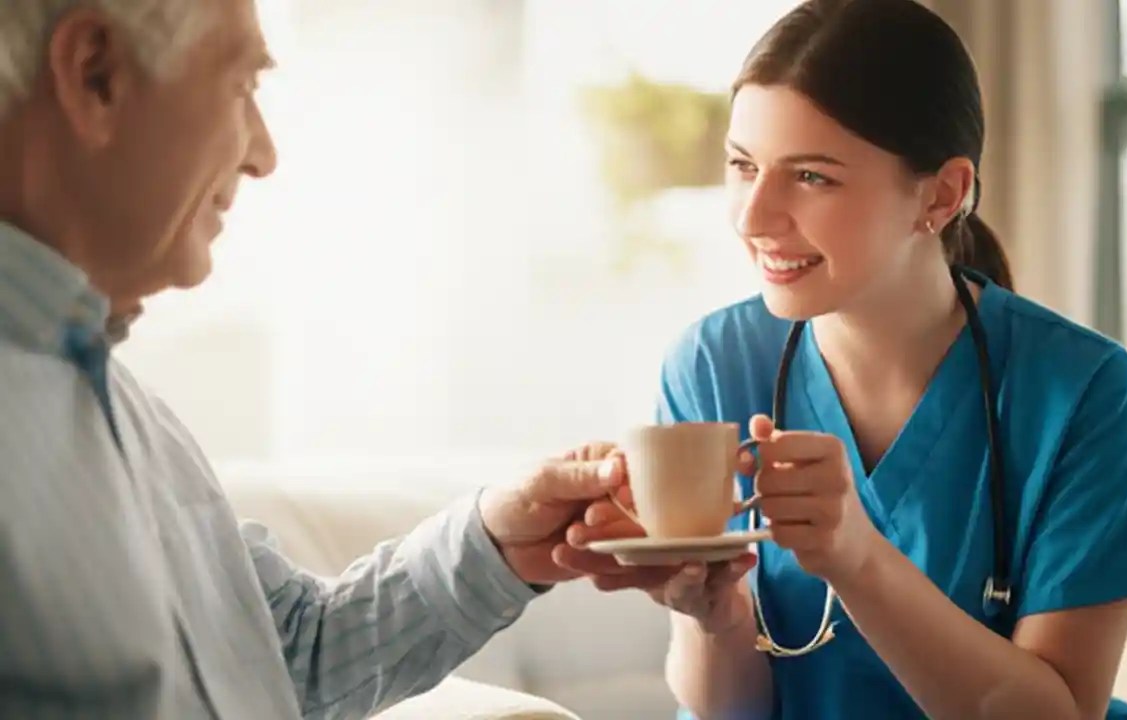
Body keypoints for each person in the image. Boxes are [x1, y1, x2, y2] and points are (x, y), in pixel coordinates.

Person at [0, 1, 669, 717]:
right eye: (241, 87)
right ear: (94, 75)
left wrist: (498, 545)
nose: (262, 153)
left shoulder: (126, 407)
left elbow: (290, 654)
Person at [562, 0, 1127, 718]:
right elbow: (728, 711)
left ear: (941, 195)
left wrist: (857, 557)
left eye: (812, 176)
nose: (752, 217)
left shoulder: (1082, 390)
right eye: (742, 165)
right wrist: (714, 614)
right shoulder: (712, 364)